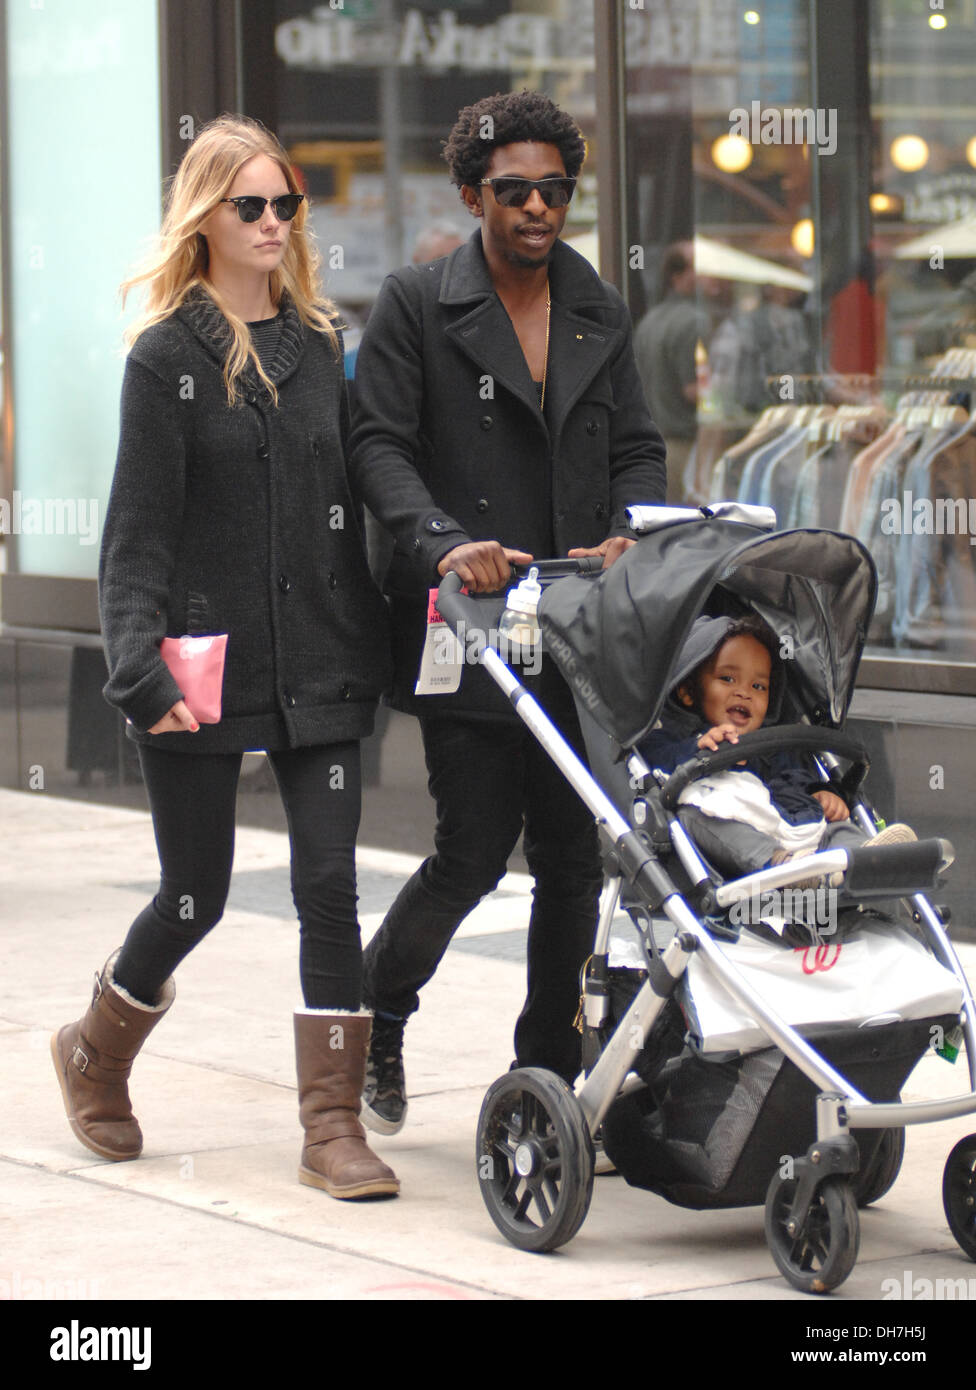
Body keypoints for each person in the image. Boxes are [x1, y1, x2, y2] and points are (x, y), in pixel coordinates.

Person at [51, 115, 399, 1201]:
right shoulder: (164, 360)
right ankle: (94, 1050)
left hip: (325, 664)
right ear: (203, 217)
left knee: (330, 886)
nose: (271, 221)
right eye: (249, 204)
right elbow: (137, 532)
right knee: (193, 895)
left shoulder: (320, 347)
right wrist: (136, 672)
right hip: (201, 668)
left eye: (285, 204)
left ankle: (330, 1124)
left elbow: (359, 494)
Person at [347, 90, 666, 1133]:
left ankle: (547, 1079)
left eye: (555, 191)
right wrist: (444, 542)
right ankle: (375, 1008)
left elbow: (637, 447)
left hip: (574, 618)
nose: (537, 208)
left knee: (574, 862)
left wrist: (627, 527)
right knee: (473, 848)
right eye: (514, 191)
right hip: (466, 622)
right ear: (472, 194)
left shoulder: (596, 306)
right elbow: (378, 448)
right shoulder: (414, 303)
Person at [639, 614, 914, 879]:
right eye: (728, 679)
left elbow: (799, 779)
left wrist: (822, 793)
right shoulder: (675, 738)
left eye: (759, 685)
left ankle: (868, 859)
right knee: (695, 815)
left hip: (799, 836)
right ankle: (780, 865)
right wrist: (696, 748)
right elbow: (654, 762)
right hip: (746, 839)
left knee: (838, 828)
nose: (744, 692)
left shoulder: (775, 744)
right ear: (688, 692)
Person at [633, 241, 710, 501]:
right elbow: (694, 390)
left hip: (654, 447)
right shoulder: (693, 320)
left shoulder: (649, 321)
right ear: (678, 277)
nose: (707, 274)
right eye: (698, 268)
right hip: (686, 448)